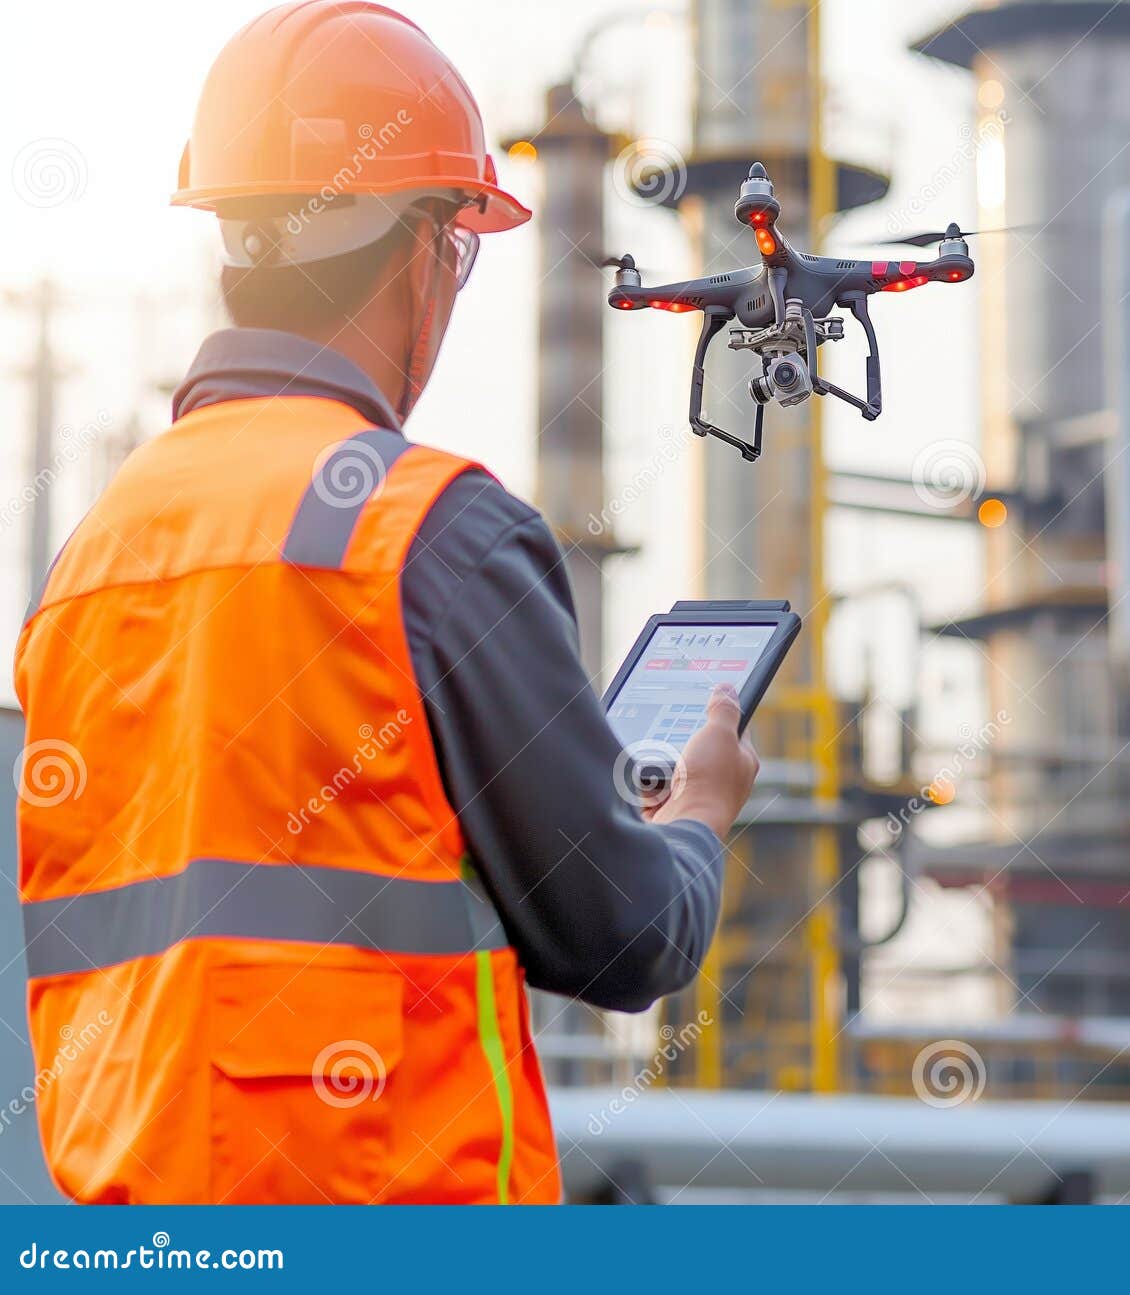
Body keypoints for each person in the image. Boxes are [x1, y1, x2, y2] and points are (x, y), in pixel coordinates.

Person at [13, 0, 756, 1205]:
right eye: (460, 247)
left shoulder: (92, 557)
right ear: (424, 247)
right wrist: (701, 815)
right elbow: (623, 934)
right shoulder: (429, 533)